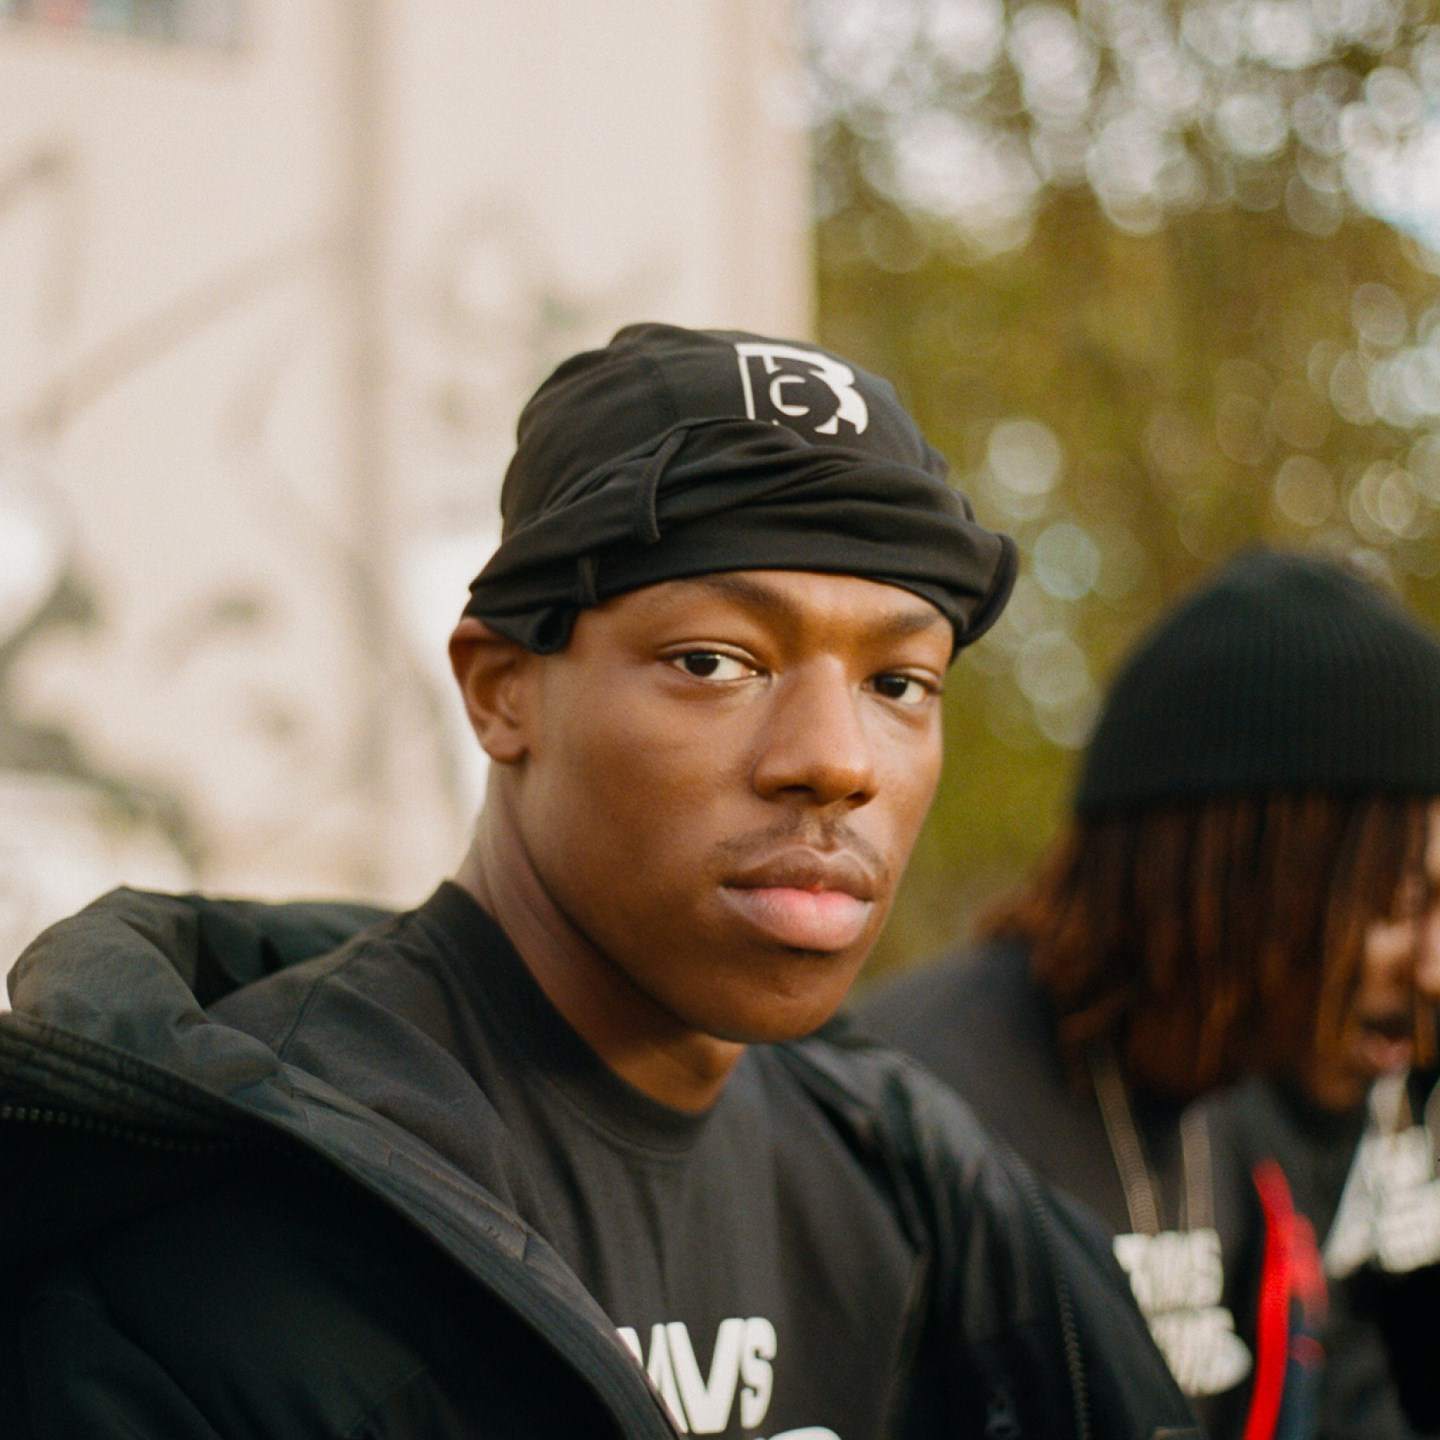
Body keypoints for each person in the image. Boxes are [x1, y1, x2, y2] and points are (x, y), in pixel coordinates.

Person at [0, 323, 1199, 1439]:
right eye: (714, 661)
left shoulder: (914, 1193)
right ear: (501, 690)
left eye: (899, 684)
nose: (837, 761)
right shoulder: (228, 1225)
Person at [857, 548, 1440, 1440]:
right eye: (1399, 900)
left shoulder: (1265, 1113)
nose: (1433, 970)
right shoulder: (906, 1110)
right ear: (1234, 866)